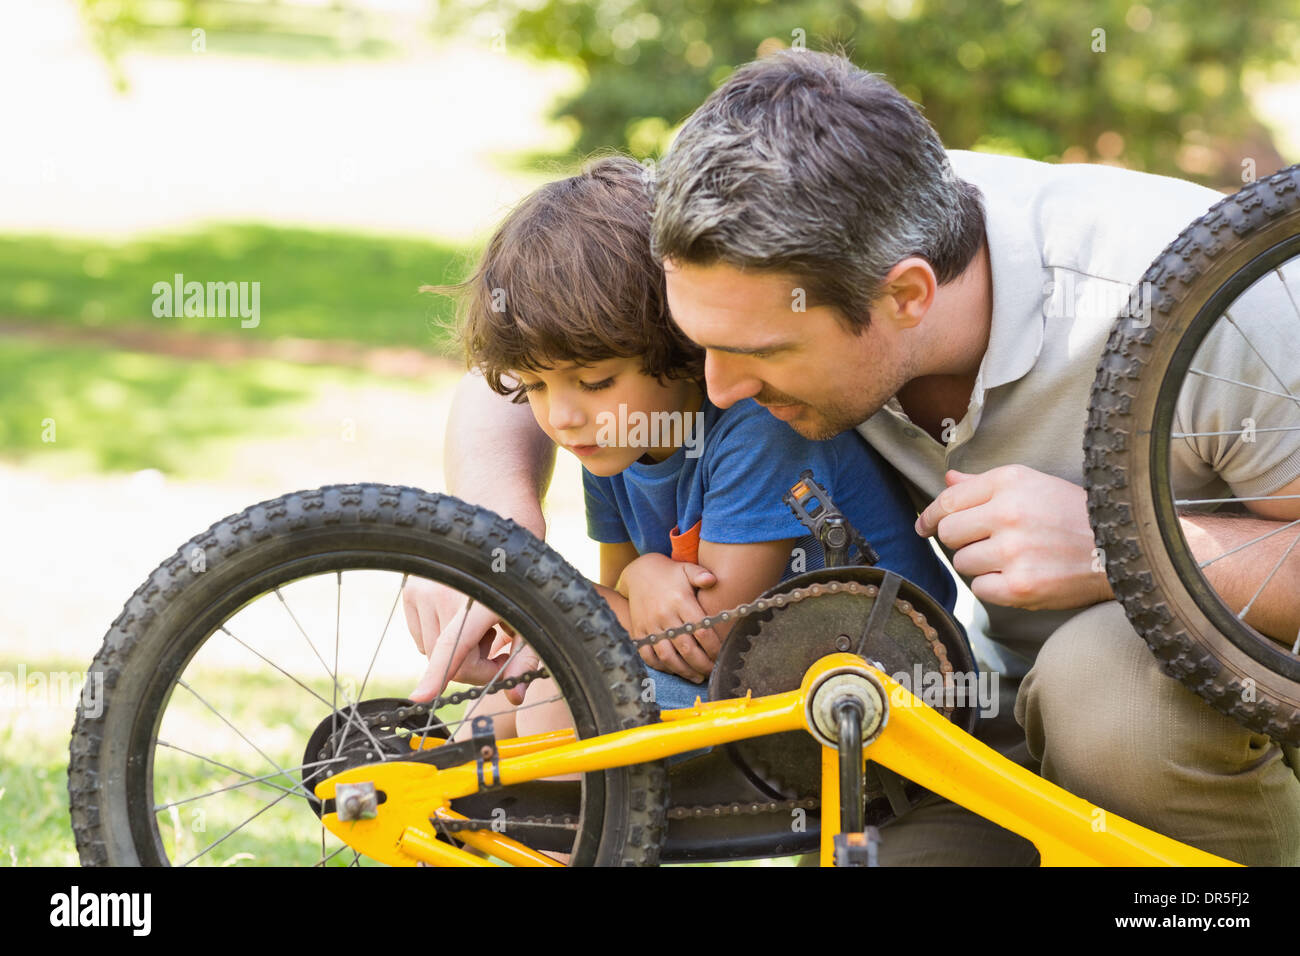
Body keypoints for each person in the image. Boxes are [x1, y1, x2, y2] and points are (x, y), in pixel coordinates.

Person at [414, 49, 1300, 866]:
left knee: (1103, 687)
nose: (714, 390)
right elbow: (536, 348)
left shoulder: (1205, 305)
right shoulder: (751, 225)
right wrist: (496, 543)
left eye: (757, 353)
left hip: (1194, 709)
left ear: (905, 297)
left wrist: (1122, 546)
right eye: (693, 345)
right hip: (962, 712)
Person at [404, 154, 960, 737]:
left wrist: (541, 589)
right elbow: (623, 602)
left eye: (595, 382)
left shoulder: (759, 432)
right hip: (758, 676)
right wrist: (636, 578)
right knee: (493, 712)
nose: (563, 418)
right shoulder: (610, 443)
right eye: (537, 386)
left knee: (558, 701)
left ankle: (582, 829)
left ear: (683, 345)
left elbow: (706, 640)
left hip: (882, 682)